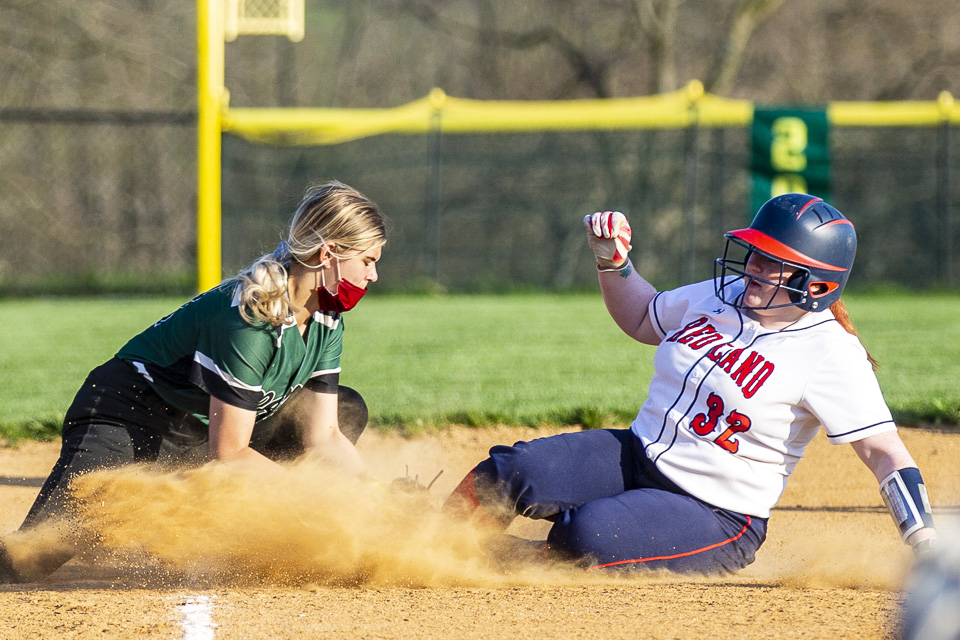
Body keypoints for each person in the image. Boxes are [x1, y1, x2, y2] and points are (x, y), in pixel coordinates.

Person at [443, 193, 938, 575]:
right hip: (636, 456)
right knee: (509, 470)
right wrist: (613, 263)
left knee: (587, 537)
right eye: (755, 253)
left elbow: (883, 453)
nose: (753, 267)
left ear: (816, 284)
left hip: (717, 513)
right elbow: (642, 317)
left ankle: (494, 564)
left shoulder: (829, 352)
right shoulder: (721, 295)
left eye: (772, 260)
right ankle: (422, 542)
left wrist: (924, 541)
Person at [0, 180, 386, 583]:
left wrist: (373, 493)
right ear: (328, 255)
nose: (374, 274)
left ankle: (241, 538)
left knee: (347, 408)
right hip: (131, 419)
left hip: (199, 432)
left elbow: (323, 434)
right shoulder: (251, 318)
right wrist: (319, 497)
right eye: (367, 260)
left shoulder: (326, 317)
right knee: (30, 555)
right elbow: (231, 452)